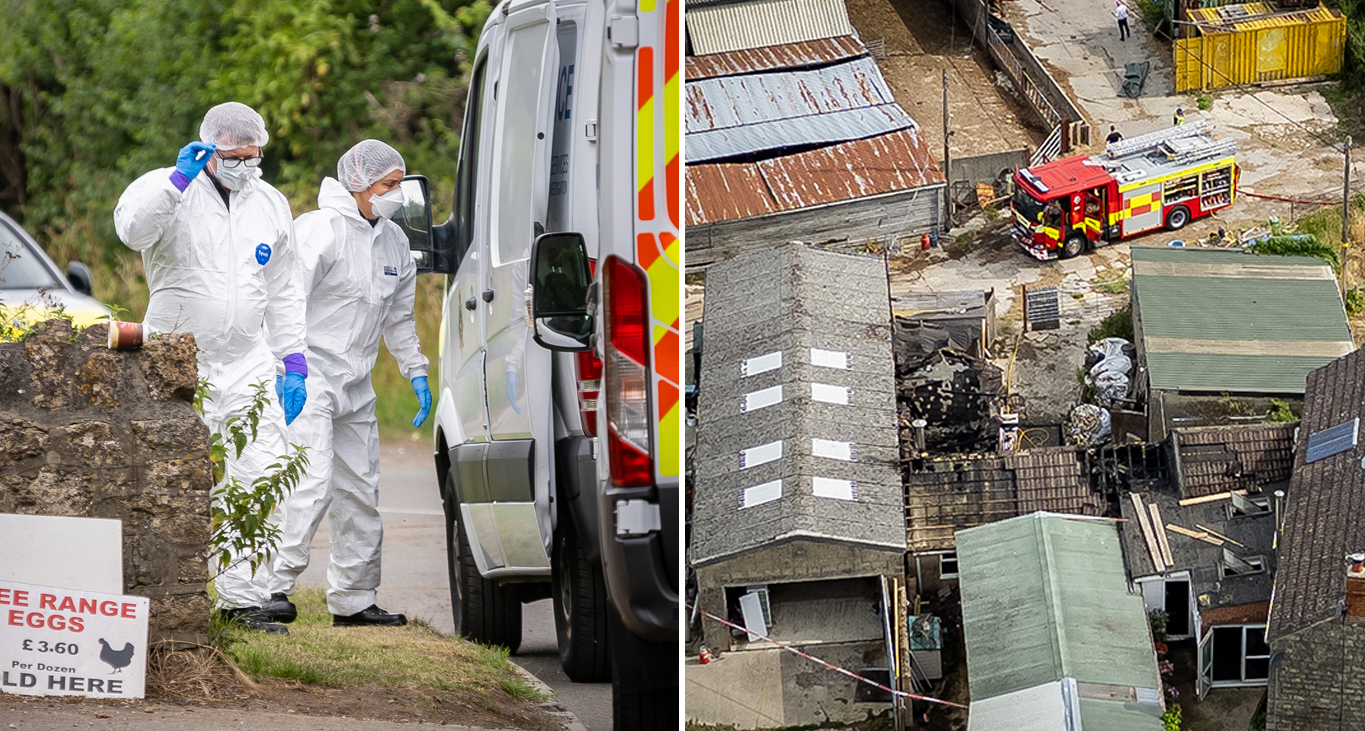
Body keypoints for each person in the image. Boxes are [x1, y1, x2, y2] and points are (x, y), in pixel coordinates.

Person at [114, 102, 307, 635]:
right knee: (170, 476)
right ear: (210, 149)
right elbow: (132, 232)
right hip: (175, 357)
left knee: (260, 469)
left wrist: (293, 358)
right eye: (235, 157)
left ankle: (242, 601)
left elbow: (284, 288)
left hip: (247, 359)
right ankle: (163, 592)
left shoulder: (269, 203)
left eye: (254, 156)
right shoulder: (168, 187)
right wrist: (177, 181)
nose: (246, 166)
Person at [262, 140, 429, 628]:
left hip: (356, 383)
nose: (396, 194)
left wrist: (416, 369)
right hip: (308, 375)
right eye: (388, 185)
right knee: (308, 483)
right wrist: (286, 367)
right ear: (359, 183)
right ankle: (271, 588)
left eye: (399, 184)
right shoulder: (321, 230)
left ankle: (354, 599)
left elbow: (399, 318)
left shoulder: (394, 242)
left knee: (360, 489)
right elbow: (285, 300)